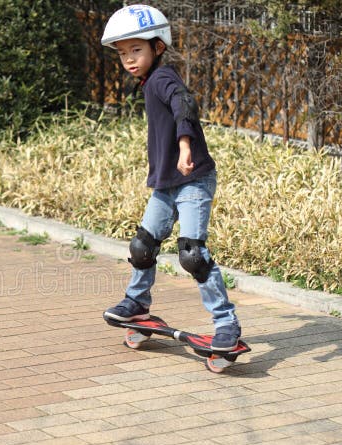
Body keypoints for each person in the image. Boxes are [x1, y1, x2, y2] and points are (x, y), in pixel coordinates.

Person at [100, 4, 241, 351]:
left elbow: (184, 105)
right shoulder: (150, 81)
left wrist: (184, 146)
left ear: (157, 47)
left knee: (193, 254)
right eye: (122, 54)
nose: (129, 59)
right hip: (166, 184)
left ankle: (226, 324)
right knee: (143, 246)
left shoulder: (164, 78)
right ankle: (137, 303)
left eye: (136, 49)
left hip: (193, 180)